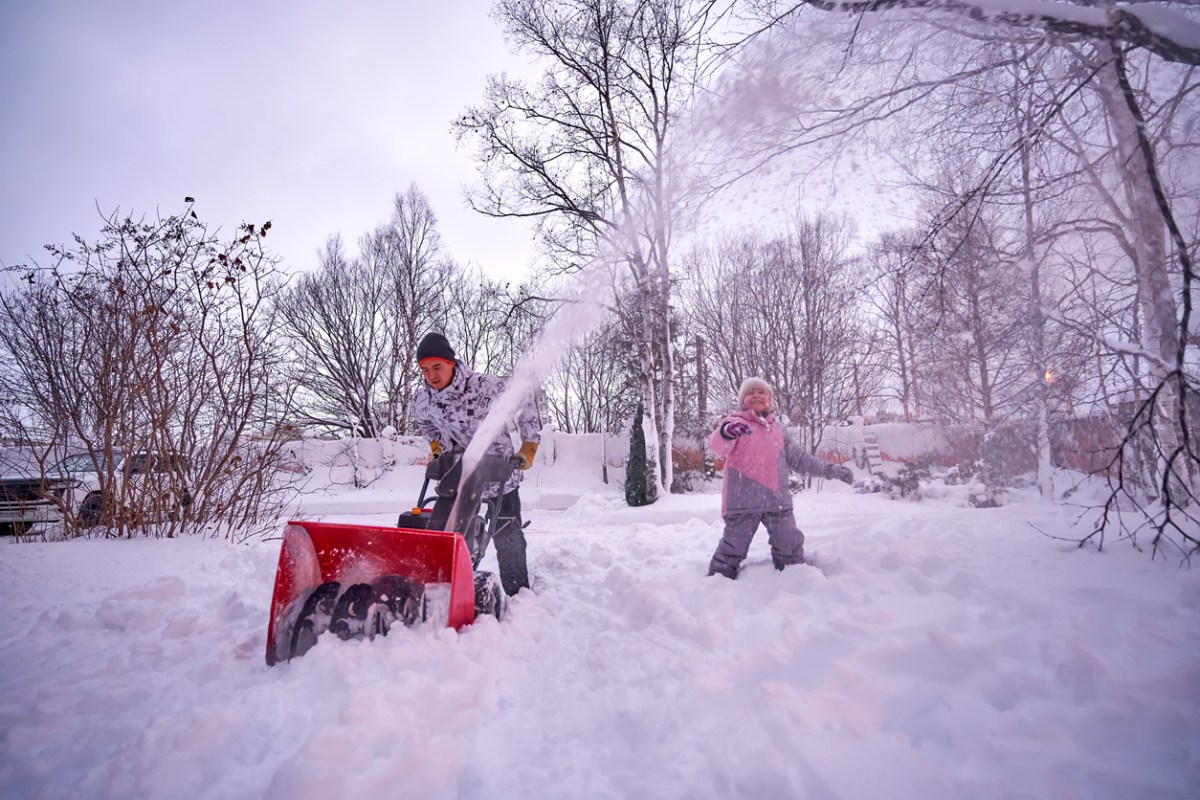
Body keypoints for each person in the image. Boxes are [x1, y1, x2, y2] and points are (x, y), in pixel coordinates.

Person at [412, 332, 540, 596]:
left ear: (451, 363)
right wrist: (436, 447)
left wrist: (529, 446)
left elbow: (525, 401)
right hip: (456, 478)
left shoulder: (486, 387)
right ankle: (444, 590)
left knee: (507, 535)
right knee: (448, 533)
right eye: (425, 370)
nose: (431, 375)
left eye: (437, 367)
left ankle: (518, 595)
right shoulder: (422, 399)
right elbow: (425, 424)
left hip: (498, 475)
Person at [706, 377, 853, 580]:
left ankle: (796, 579)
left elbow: (800, 459)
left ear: (770, 400)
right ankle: (717, 582)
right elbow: (717, 446)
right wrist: (726, 433)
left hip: (777, 501)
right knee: (733, 546)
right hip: (742, 501)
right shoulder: (735, 423)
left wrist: (829, 470)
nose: (756, 395)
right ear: (742, 402)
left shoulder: (778, 430)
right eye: (750, 393)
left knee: (789, 544)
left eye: (761, 392)